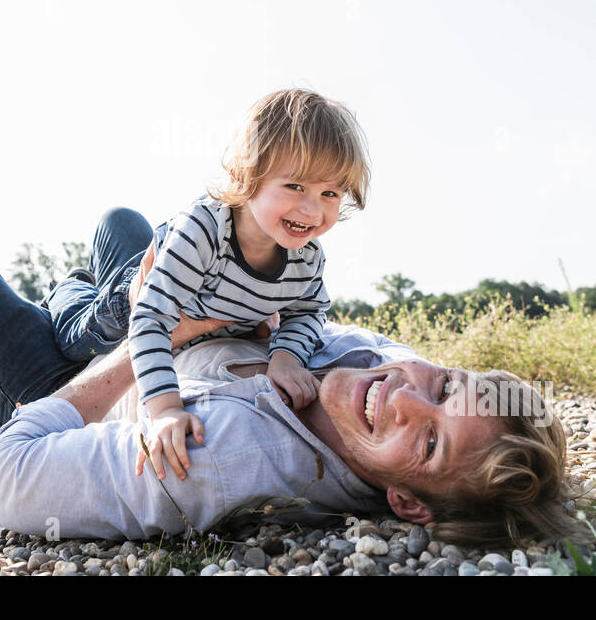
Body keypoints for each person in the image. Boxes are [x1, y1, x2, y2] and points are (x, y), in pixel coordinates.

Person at [0, 202, 572, 548]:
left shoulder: (228, 455)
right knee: (126, 224)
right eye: (442, 386)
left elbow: (2, 477)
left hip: (72, 389)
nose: (403, 395)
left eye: (430, 443)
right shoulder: (378, 366)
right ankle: (85, 301)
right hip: (168, 337)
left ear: (406, 501)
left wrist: (149, 333)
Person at [57, 88, 370, 484]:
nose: (312, 209)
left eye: (330, 193)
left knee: (121, 221)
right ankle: (68, 288)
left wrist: (286, 355)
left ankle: (92, 269)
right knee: (72, 338)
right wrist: (166, 409)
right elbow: (150, 320)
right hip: (125, 315)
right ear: (245, 175)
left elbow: (308, 312)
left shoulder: (306, 258)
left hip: (178, 295)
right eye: (295, 187)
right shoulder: (205, 230)